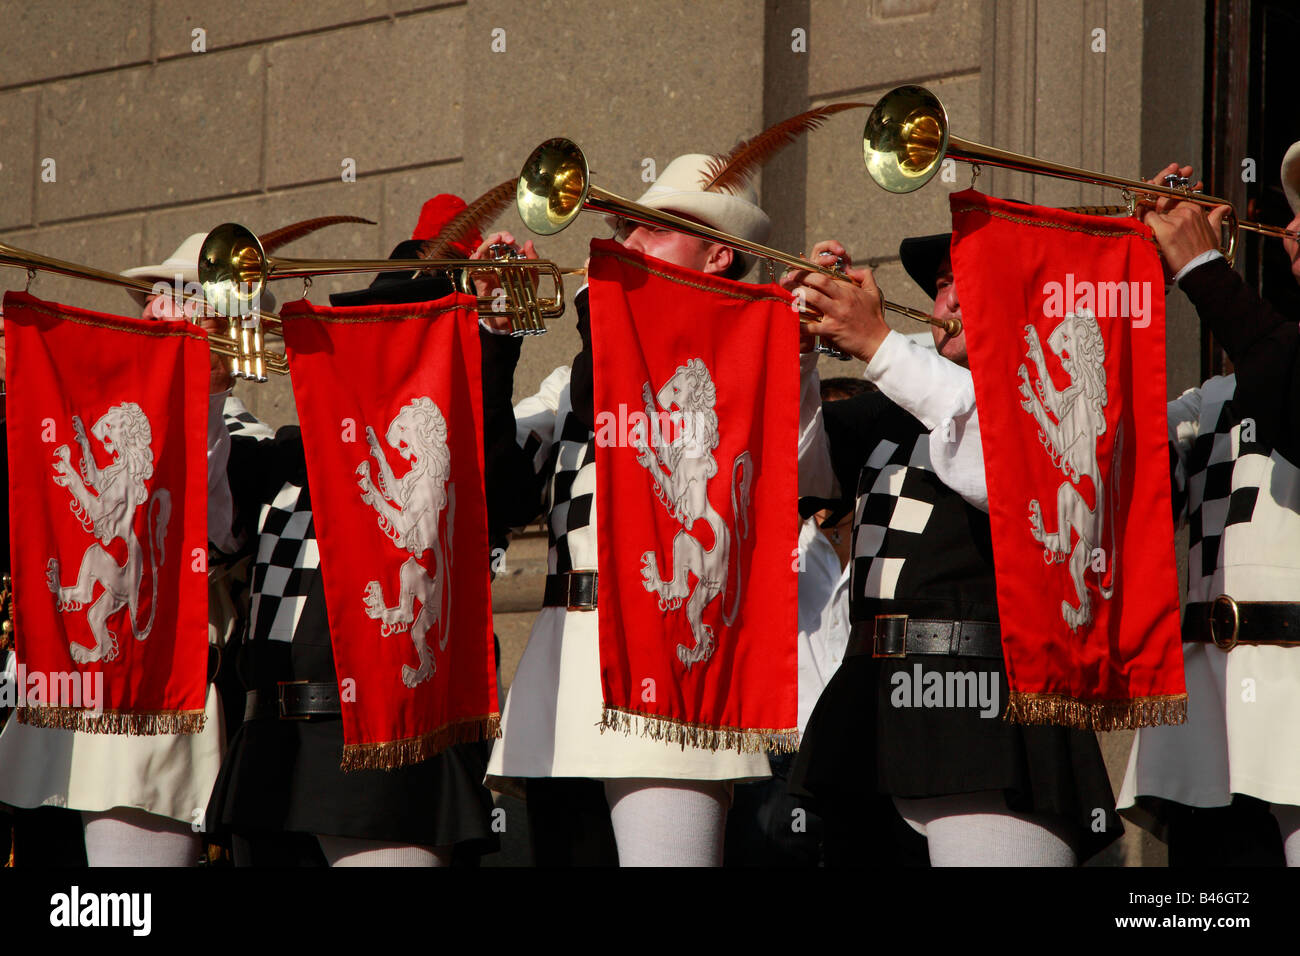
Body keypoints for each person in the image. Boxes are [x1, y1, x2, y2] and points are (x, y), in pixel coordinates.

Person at [487, 154, 828, 867]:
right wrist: (495, 341)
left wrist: (794, 354)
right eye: (623, 229)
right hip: (564, 670)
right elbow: (496, 489)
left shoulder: (747, 365)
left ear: (719, 252)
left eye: (650, 231)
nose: (627, 245)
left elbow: (798, 469)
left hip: (672, 658)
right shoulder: (569, 380)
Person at [204, 196, 540, 867]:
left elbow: (493, 483)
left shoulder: (443, 447)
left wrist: (494, 345)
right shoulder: (283, 452)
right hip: (271, 744)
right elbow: (212, 529)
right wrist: (205, 387)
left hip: (387, 745)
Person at [787, 232, 1122, 866]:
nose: (947, 302)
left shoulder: (1050, 397)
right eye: (942, 284)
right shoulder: (898, 404)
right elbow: (802, 472)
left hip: (983, 706)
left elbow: (999, 471)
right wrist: (799, 354)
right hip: (872, 702)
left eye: (966, 279)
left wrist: (880, 345)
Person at [0, 235, 236, 866]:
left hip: (148, 703)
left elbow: (203, 522)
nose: (159, 310)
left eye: (184, 297)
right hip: (66, 697)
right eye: (157, 297)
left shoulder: (237, 431)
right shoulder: (118, 408)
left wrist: (206, 380)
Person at [1118, 151, 1300, 866]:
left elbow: (1286, 376)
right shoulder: (1220, 393)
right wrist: (1138, 282)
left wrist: (1201, 269)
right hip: (1207, 709)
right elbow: (1114, 473)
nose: (1290, 227)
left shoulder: (1274, 358)